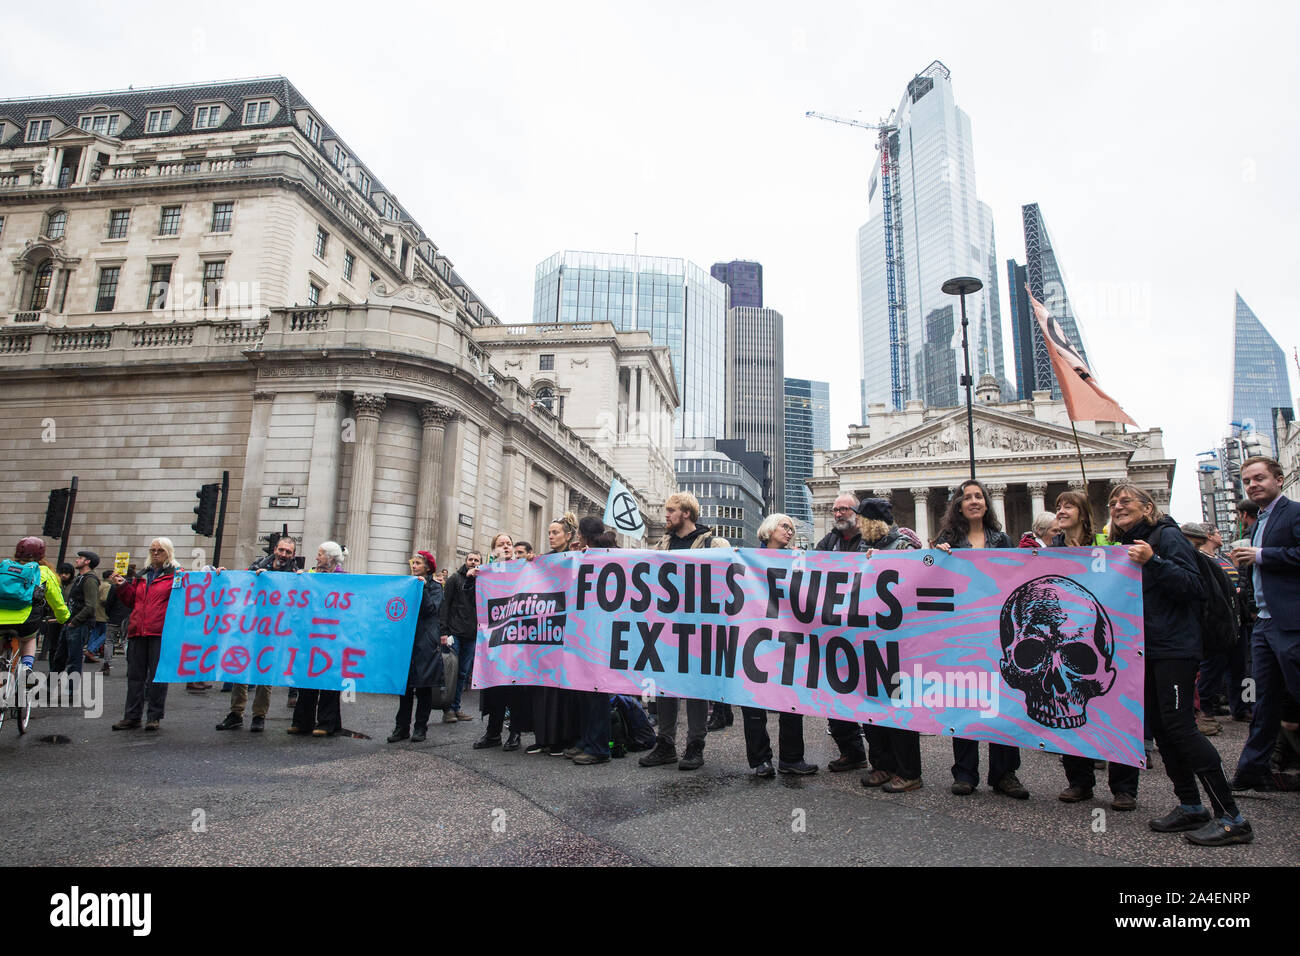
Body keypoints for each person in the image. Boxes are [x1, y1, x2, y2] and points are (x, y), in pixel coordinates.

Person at [1103, 483, 1252, 846]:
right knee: (1163, 729)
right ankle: (1190, 805)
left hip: (1174, 648)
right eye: (1113, 503)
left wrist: (1153, 559)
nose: (1117, 507)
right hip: (1147, 648)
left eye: (1126, 501)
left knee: (1180, 728)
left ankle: (1231, 816)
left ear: (1148, 506)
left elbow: (1191, 586)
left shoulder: (1166, 536)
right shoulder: (1131, 544)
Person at [934, 479, 1029, 800]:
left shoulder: (1002, 540)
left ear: (987, 503)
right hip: (963, 635)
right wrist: (937, 557)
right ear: (958, 505)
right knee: (965, 702)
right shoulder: (948, 541)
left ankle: (1005, 773)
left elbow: (1017, 580)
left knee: (1004, 702)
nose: (974, 501)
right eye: (966, 497)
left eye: (979, 496)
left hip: (1002, 633)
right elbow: (932, 579)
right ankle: (965, 772)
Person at [1049, 490, 1139, 811]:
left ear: (1083, 512)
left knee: (1117, 711)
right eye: (1058, 506)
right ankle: (1079, 781)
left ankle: (1124, 787)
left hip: (1108, 637)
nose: (1060, 510)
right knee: (1069, 706)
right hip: (1066, 639)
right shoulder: (1053, 549)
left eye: (1068, 505)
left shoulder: (1106, 543)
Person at [639, 492, 729, 772]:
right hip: (666, 625)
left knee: (695, 686)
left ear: (686, 513)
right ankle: (665, 743)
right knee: (666, 684)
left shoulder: (713, 544)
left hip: (698, 626)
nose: (665, 515)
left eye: (671, 510)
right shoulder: (662, 544)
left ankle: (695, 745)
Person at [1228, 456, 1300, 795]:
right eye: (1247, 481)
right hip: (1264, 624)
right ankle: (1252, 772)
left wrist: (1260, 556)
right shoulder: (1258, 522)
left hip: (1291, 623)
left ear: (1279, 479)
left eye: (1259, 478)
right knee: (1263, 702)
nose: (1253, 485)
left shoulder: (1294, 512)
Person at [853, 498, 925, 793]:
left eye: (861, 519)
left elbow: (922, 574)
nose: (857, 524)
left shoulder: (904, 547)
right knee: (871, 709)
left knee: (898, 709)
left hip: (898, 644)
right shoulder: (860, 549)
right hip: (869, 640)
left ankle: (909, 771)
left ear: (871, 522)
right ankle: (881, 764)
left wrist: (885, 563)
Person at [741, 513, 818, 779]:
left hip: (787, 637)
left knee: (790, 699)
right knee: (753, 702)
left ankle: (792, 758)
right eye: (785, 526)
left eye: (792, 529)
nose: (789, 532)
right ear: (770, 528)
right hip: (755, 638)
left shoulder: (796, 558)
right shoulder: (748, 558)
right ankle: (760, 760)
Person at [216, 535, 297, 732]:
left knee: (264, 674)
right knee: (240, 668)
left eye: (288, 552)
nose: (283, 554)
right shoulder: (258, 565)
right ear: (274, 549)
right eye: (281, 550)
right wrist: (224, 575)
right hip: (249, 626)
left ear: (293, 555)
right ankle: (236, 713)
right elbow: (239, 582)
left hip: (273, 631)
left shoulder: (295, 574)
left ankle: (259, 716)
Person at [815, 492, 869, 772]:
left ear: (856, 513)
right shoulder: (829, 542)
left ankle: (882, 758)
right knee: (835, 693)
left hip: (866, 628)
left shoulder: (871, 540)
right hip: (835, 628)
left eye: (844, 509)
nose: (837, 514)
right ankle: (851, 751)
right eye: (835, 510)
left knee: (869, 694)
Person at [529, 513, 585, 756]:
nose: (550, 536)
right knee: (543, 687)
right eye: (549, 533)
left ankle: (562, 739)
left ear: (568, 536)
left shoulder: (575, 559)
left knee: (563, 689)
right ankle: (543, 737)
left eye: (555, 533)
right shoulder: (543, 561)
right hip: (544, 632)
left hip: (567, 632)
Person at [111, 538, 180, 732]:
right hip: (138, 631)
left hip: (159, 632)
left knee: (156, 677)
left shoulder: (175, 575)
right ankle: (132, 716)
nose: (156, 553)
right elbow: (132, 601)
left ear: (169, 552)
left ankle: (154, 716)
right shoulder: (142, 576)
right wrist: (123, 586)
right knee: (135, 676)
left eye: (160, 550)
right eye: (153, 550)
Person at [476, 533, 533, 750]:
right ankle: (493, 733)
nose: (507, 547)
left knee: (515, 690)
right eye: (501, 544)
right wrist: (472, 574)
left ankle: (515, 734)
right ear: (494, 549)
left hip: (517, 639)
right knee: (495, 689)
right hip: (494, 639)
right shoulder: (487, 572)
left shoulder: (522, 568)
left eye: (509, 544)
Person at [569, 516, 614, 765]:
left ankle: (599, 747)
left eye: (578, 533)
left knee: (597, 693)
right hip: (585, 631)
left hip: (601, 633)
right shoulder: (585, 556)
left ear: (585, 535)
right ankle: (586, 741)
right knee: (585, 692)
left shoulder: (607, 555)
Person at [290, 541, 347, 736]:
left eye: (321, 554)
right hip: (310, 636)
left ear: (331, 557)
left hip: (332, 638)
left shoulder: (344, 579)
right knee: (306, 678)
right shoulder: (309, 576)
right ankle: (302, 720)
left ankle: (326, 721)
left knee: (329, 680)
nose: (317, 557)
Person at [389, 550, 444, 743]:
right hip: (407, 640)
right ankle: (401, 727)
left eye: (418, 563)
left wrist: (423, 589)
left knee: (423, 687)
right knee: (405, 687)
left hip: (425, 641)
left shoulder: (434, 588)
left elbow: (431, 609)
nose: (414, 566)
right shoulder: (407, 584)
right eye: (413, 562)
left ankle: (420, 727)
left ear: (427, 568)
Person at [0, 537, 69, 681]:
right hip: (26, 619)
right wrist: (64, 618)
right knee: (30, 638)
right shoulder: (43, 572)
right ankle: (26, 667)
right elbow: (57, 601)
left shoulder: (4, 567)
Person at [440, 550, 481, 724]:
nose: (473, 562)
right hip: (454, 633)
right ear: (466, 561)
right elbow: (445, 606)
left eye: (476, 560)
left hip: (471, 635)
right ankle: (447, 709)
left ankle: (456, 707)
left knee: (463, 674)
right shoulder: (455, 579)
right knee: (451, 673)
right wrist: (443, 632)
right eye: (470, 559)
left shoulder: (482, 581)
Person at [62, 550, 101, 676]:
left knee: (74, 659)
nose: (77, 560)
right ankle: (49, 688)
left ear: (87, 562)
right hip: (71, 623)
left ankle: (71, 691)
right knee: (60, 657)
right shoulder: (80, 578)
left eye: (80, 558)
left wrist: (74, 621)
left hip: (79, 625)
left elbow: (90, 606)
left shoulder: (90, 580)